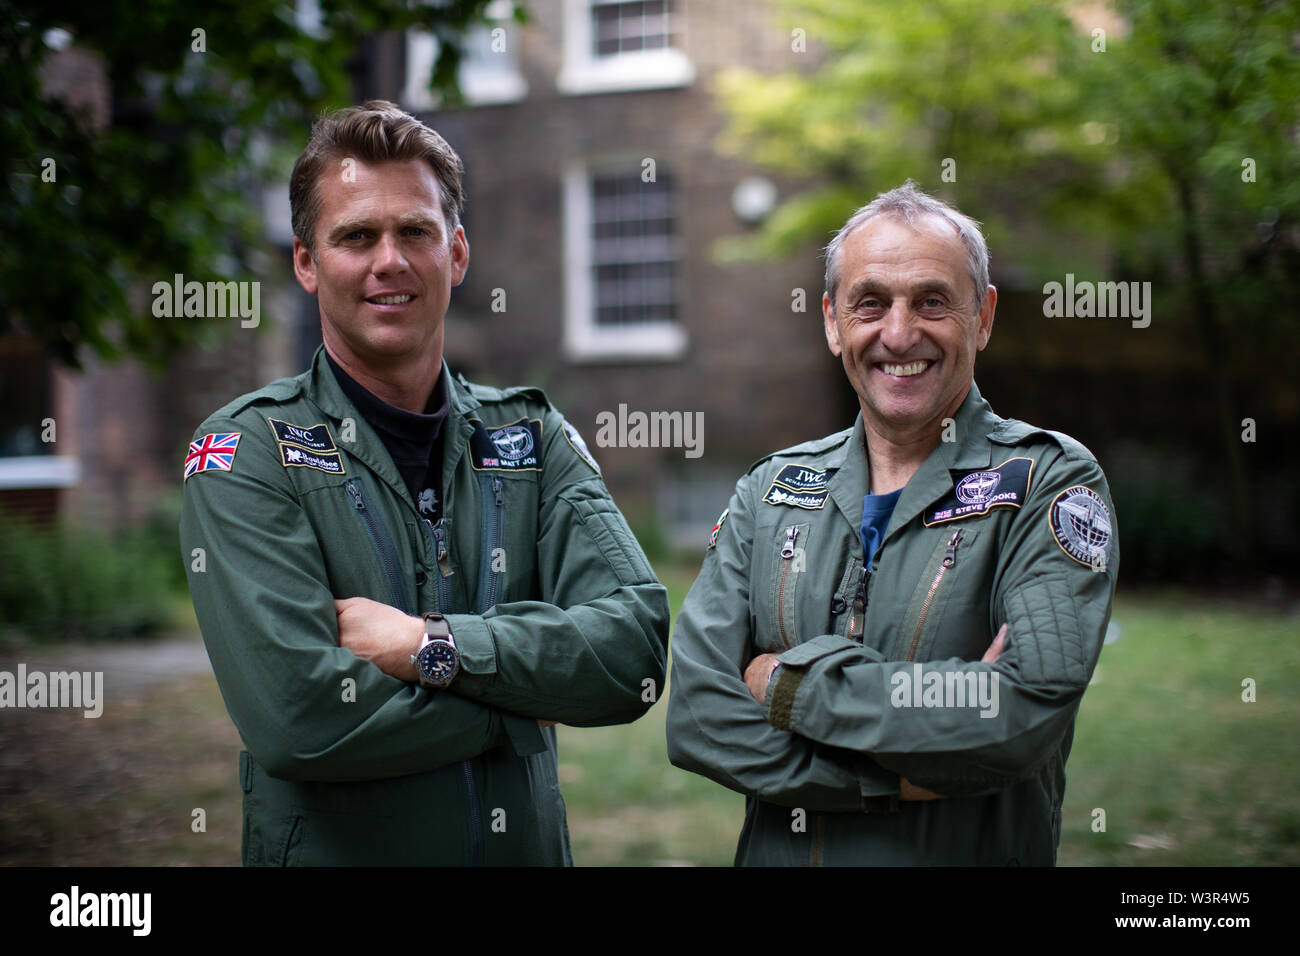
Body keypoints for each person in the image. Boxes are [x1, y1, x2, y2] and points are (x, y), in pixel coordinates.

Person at [180, 100, 669, 865]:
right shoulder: (249, 450)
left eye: (415, 231)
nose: (389, 261)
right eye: (355, 236)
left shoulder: (529, 439)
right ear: (307, 262)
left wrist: (429, 647)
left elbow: (632, 653)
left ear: (457, 252)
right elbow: (301, 718)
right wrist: (523, 706)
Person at [665, 181, 1118, 865]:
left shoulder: (1046, 482)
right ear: (831, 321)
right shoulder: (773, 489)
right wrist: (887, 782)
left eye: (932, 301)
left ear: (984, 316)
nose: (899, 333)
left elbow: (1019, 714)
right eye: (870, 303)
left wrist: (786, 684)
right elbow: (697, 715)